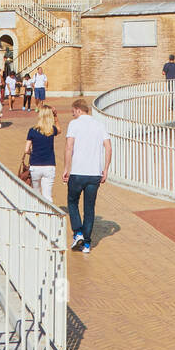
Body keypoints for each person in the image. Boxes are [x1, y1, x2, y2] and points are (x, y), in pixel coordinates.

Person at [62, 99, 111, 254]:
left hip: (77, 172)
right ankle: (87, 244)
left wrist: (66, 168)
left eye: (73, 111)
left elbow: (69, 147)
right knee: (89, 208)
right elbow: (108, 147)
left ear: (78, 110)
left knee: (72, 202)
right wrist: (106, 169)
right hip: (94, 174)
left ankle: (78, 233)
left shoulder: (74, 124)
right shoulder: (99, 125)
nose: (73, 114)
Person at [23, 104, 59, 202]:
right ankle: (50, 214)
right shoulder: (52, 130)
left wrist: (32, 152)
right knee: (48, 195)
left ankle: (37, 213)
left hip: (35, 165)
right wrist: (56, 116)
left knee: (36, 194)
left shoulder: (32, 130)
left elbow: (26, 150)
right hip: (49, 165)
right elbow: (59, 130)